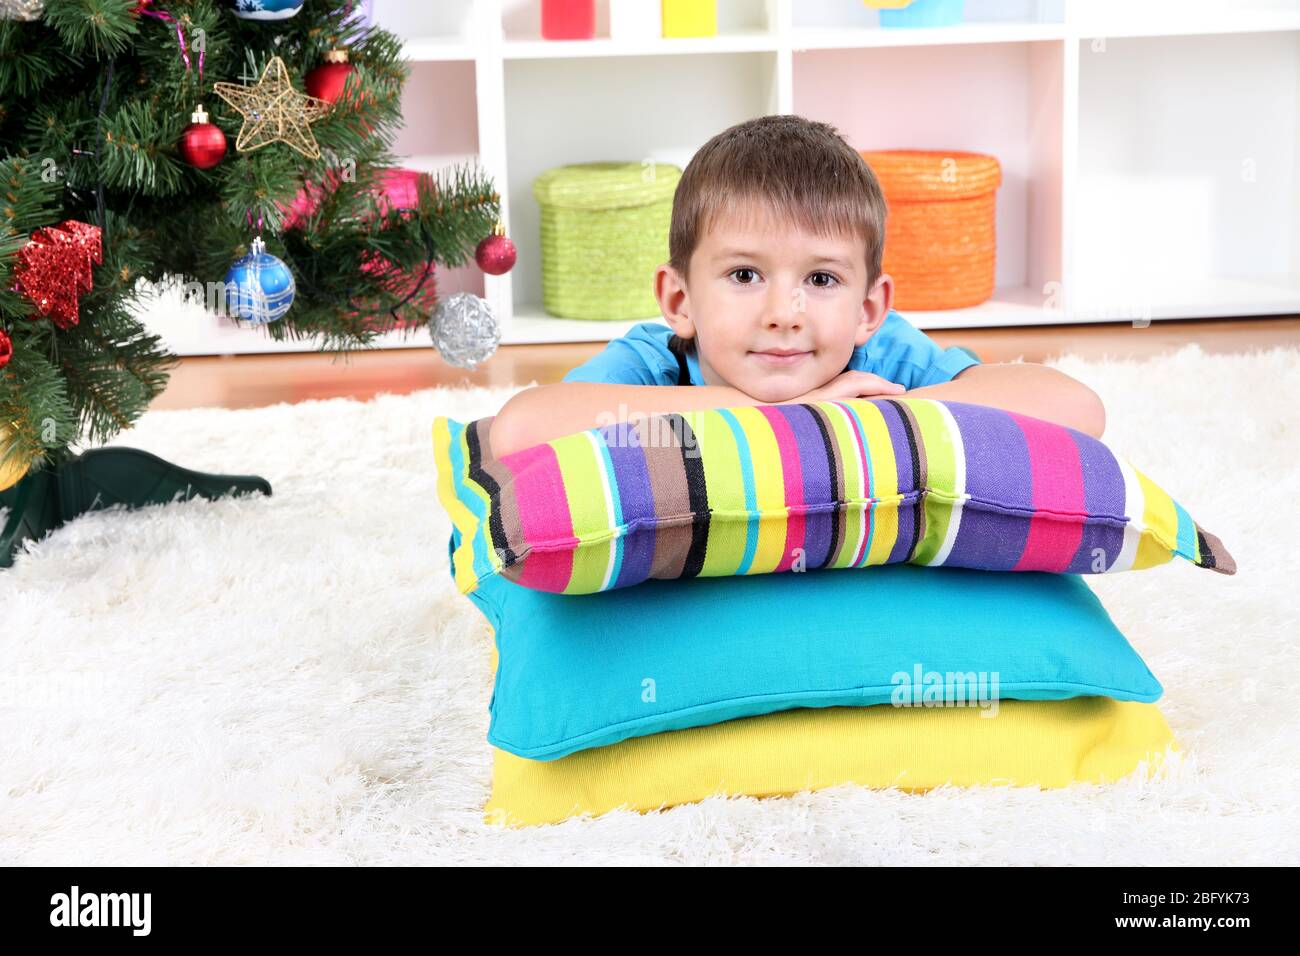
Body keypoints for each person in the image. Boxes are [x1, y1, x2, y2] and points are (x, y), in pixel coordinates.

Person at [489, 115, 1103, 458]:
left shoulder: (880, 358)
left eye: (821, 278)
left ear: (869, 309)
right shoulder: (657, 359)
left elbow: (1078, 410)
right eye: (745, 275)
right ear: (680, 301)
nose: (785, 312)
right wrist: (791, 414)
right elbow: (521, 429)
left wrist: (886, 414)